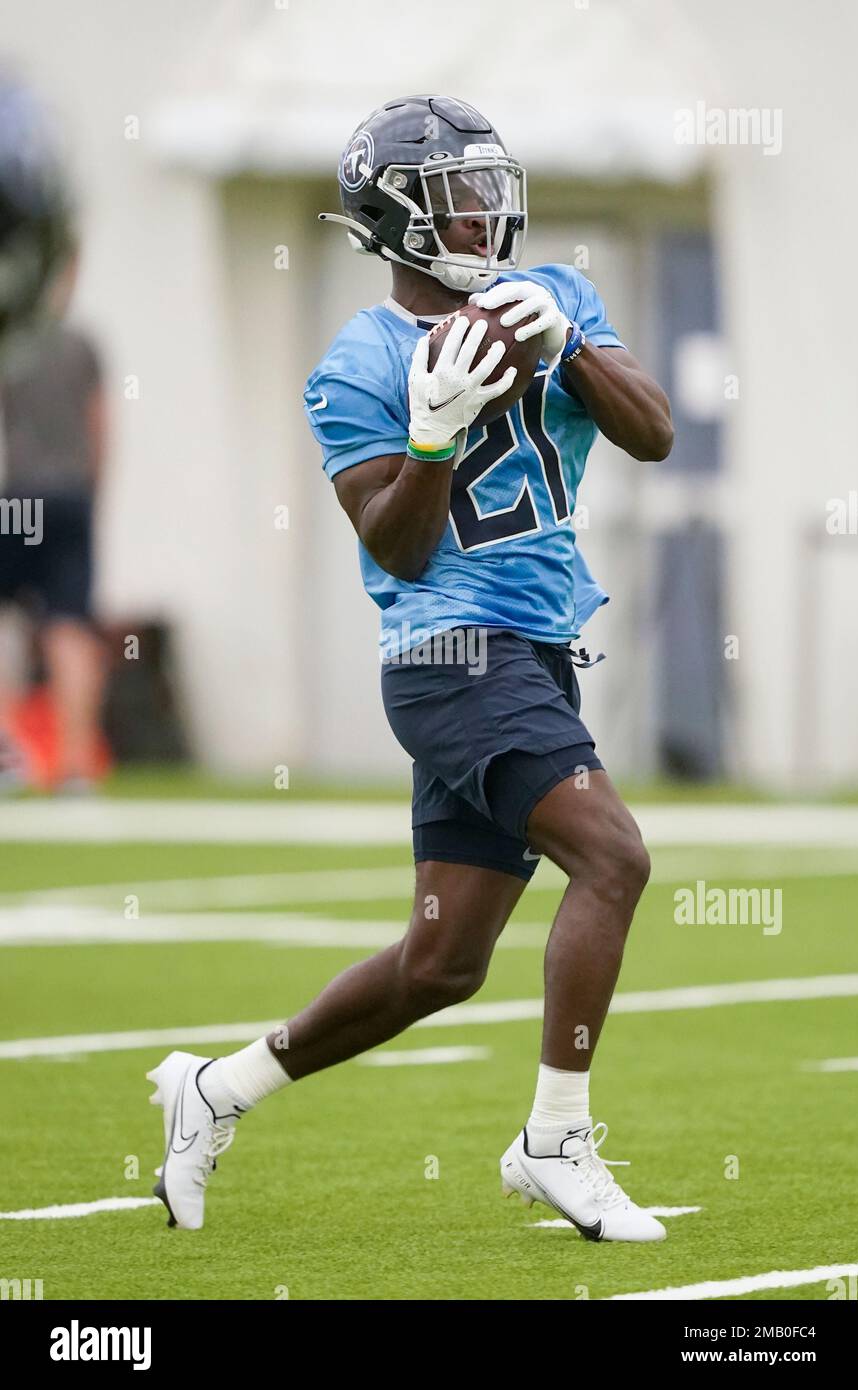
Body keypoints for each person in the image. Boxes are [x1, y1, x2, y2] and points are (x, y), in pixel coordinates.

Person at [146, 95, 674, 1241]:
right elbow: (393, 542)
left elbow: (653, 434)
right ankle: (555, 1138)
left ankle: (213, 1089)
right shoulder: (356, 362)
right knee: (613, 854)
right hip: (446, 657)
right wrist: (431, 437)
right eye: (456, 196)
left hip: (534, 649)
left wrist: (569, 345)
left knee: (440, 964)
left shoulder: (559, 297)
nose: (485, 214)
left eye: (490, 188)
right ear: (394, 219)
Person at [0, 250, 107, 791]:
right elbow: (99, 427)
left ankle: (7, 753)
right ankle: (73, 767)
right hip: (71, 496)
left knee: (7, 622)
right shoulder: (80, 343)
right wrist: (94, 495)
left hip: (18, 497)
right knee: (70, 625)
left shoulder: (12, 344)